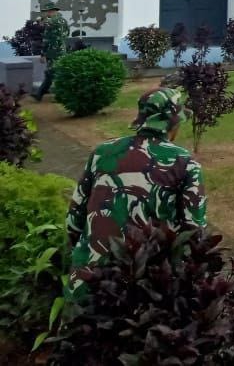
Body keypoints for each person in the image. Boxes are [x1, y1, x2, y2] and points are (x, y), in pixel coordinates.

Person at [66, 87, 206, 301]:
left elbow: (74, 221)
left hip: (87, 282)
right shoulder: (185, 164)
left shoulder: (103, 152)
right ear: (174, 124)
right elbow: (194, 233)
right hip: (145, 293)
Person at [32, 1, 69, 101]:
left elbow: (46, 39)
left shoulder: (51, 22)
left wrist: (43, 54)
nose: (46, 13)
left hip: (52, 52)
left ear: (52, 11)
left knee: (52, 73)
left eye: (47, 11)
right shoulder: (63, 21)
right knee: (54, 73)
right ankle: (39, 94)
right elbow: (67, 34)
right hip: (61, 50)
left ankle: (59, 96)